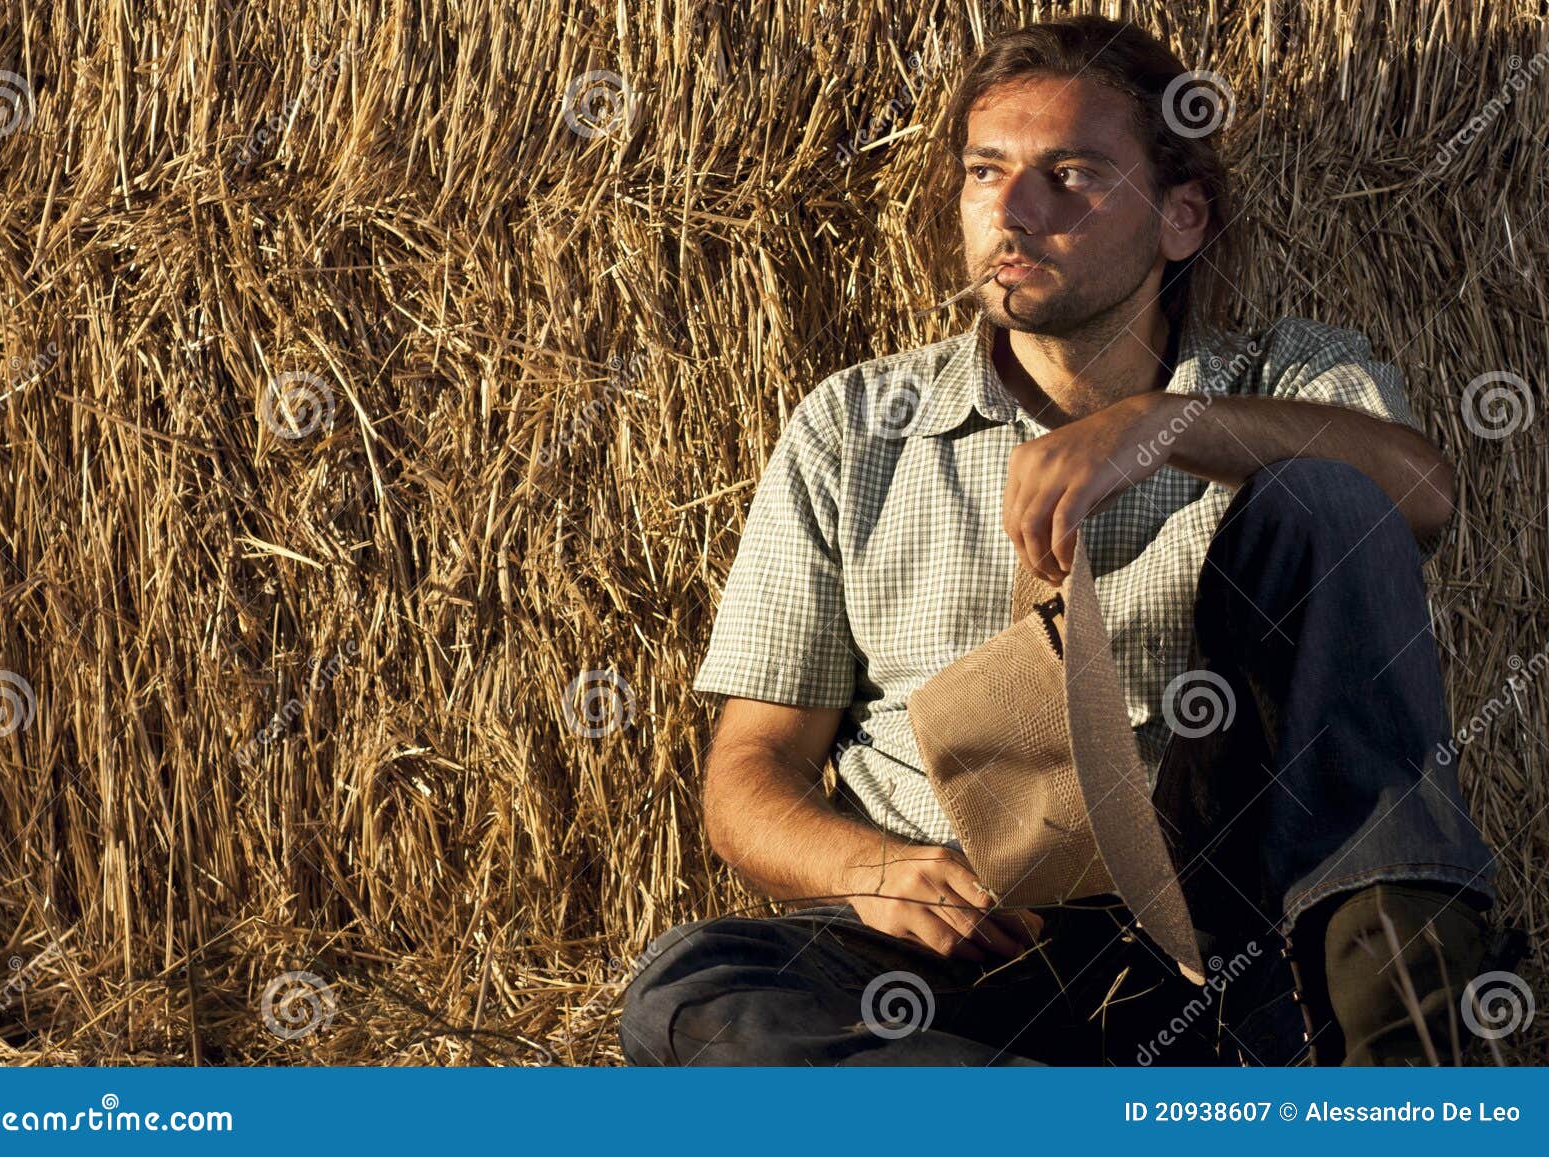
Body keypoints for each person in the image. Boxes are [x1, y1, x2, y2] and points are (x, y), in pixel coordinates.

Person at [618, 14, 1506, 1067]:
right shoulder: (854, 424)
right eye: (985, 172)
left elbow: (1418, 495)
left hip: (1239, 941)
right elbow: (747, 776)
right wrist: (875, 868)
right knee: (695, 987)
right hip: (968, 943)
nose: (1013, 209)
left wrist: (1160, 429)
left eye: (1071, 175)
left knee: (1325, 495)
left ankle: (1401, 1084)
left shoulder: (1287, 376)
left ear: (1180, 218)